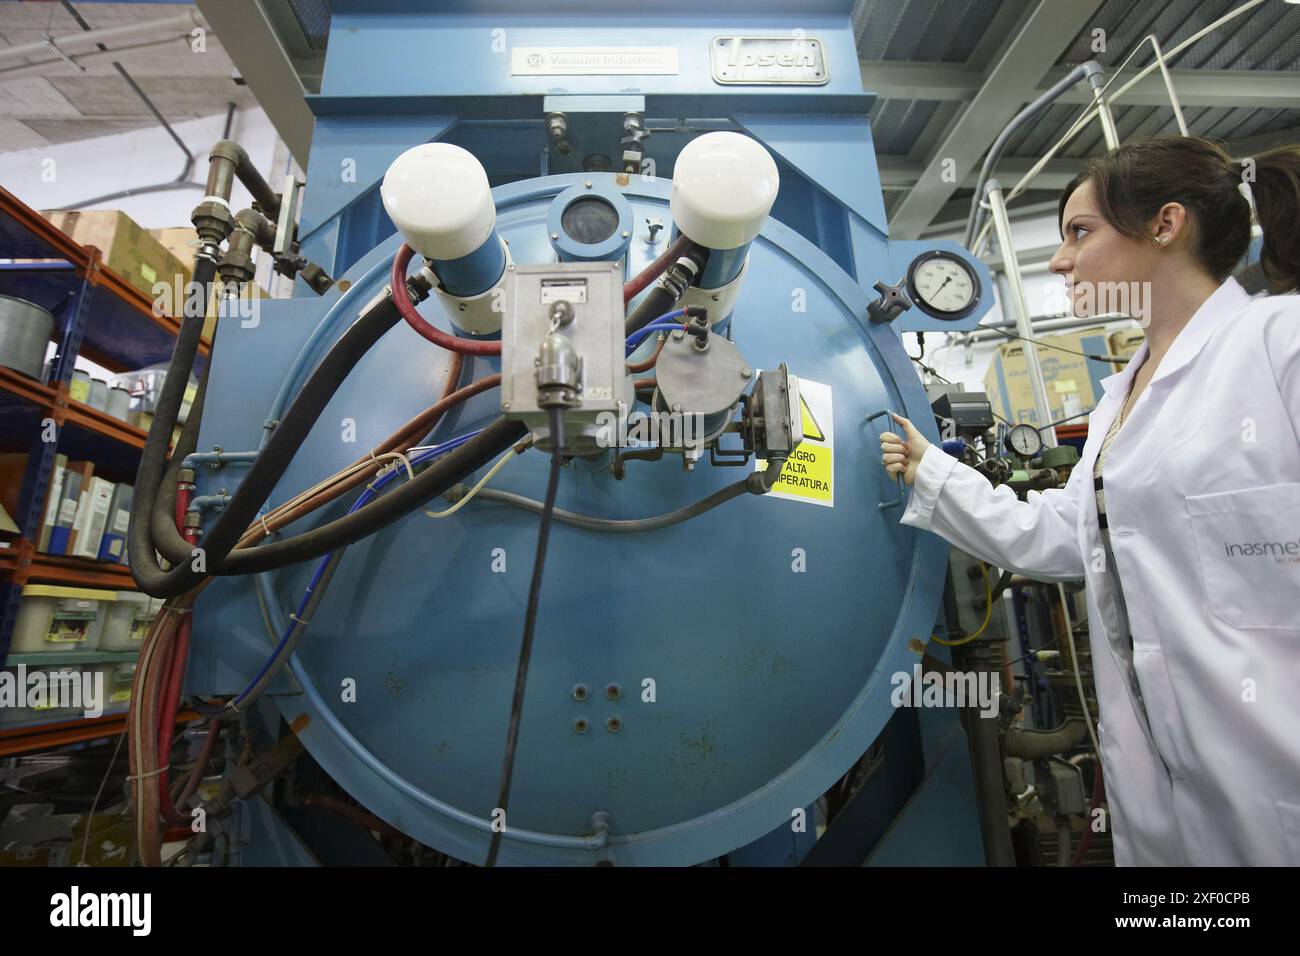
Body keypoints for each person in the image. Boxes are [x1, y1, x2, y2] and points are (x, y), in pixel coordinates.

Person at [879, 136, 1300, 866]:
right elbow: (1070, 538)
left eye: (1080, 232)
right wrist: (933, 472)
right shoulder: (1118, 402)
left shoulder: (1279, 342)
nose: (1058, 259)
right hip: (1165, 802)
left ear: (1166, 225)